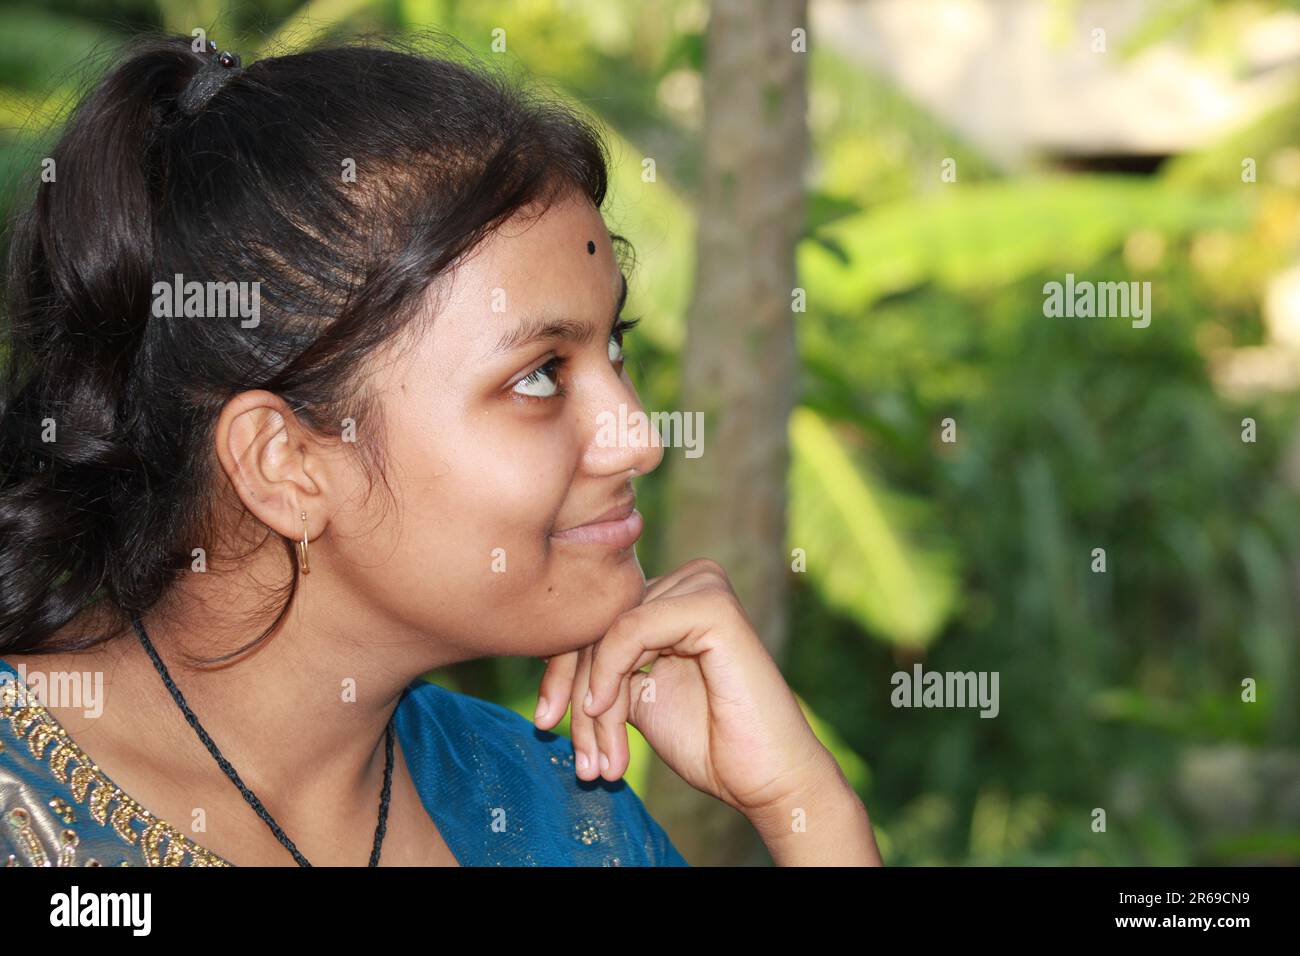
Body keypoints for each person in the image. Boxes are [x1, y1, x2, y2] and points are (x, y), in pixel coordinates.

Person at [0, 32, 883, 867]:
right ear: (286, 464)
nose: (637, 439)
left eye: (614, 349)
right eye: (540, 375)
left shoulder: (562, 813)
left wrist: (807, 808)